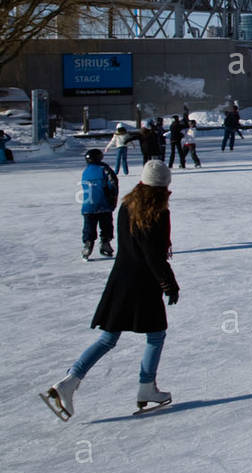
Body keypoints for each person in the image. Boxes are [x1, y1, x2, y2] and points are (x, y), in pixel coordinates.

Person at [41, 160, 179, 420]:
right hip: (143, 284)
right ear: (163, 187)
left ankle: (70, 380)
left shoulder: (128, 205)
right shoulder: (158, 212)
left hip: (120, 281)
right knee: (156, 335)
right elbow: (153, 254)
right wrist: (169, 284)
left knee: (108, 338)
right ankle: (147, 386)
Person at [79, 148, 120, 259]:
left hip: (88, 205)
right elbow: (113, 184)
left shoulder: (85, 171)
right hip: (103, 203)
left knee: (89, 225)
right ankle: (105, 242)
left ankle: (88, 243)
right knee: (106, 225)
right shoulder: (104, 169)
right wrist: (112, 198)